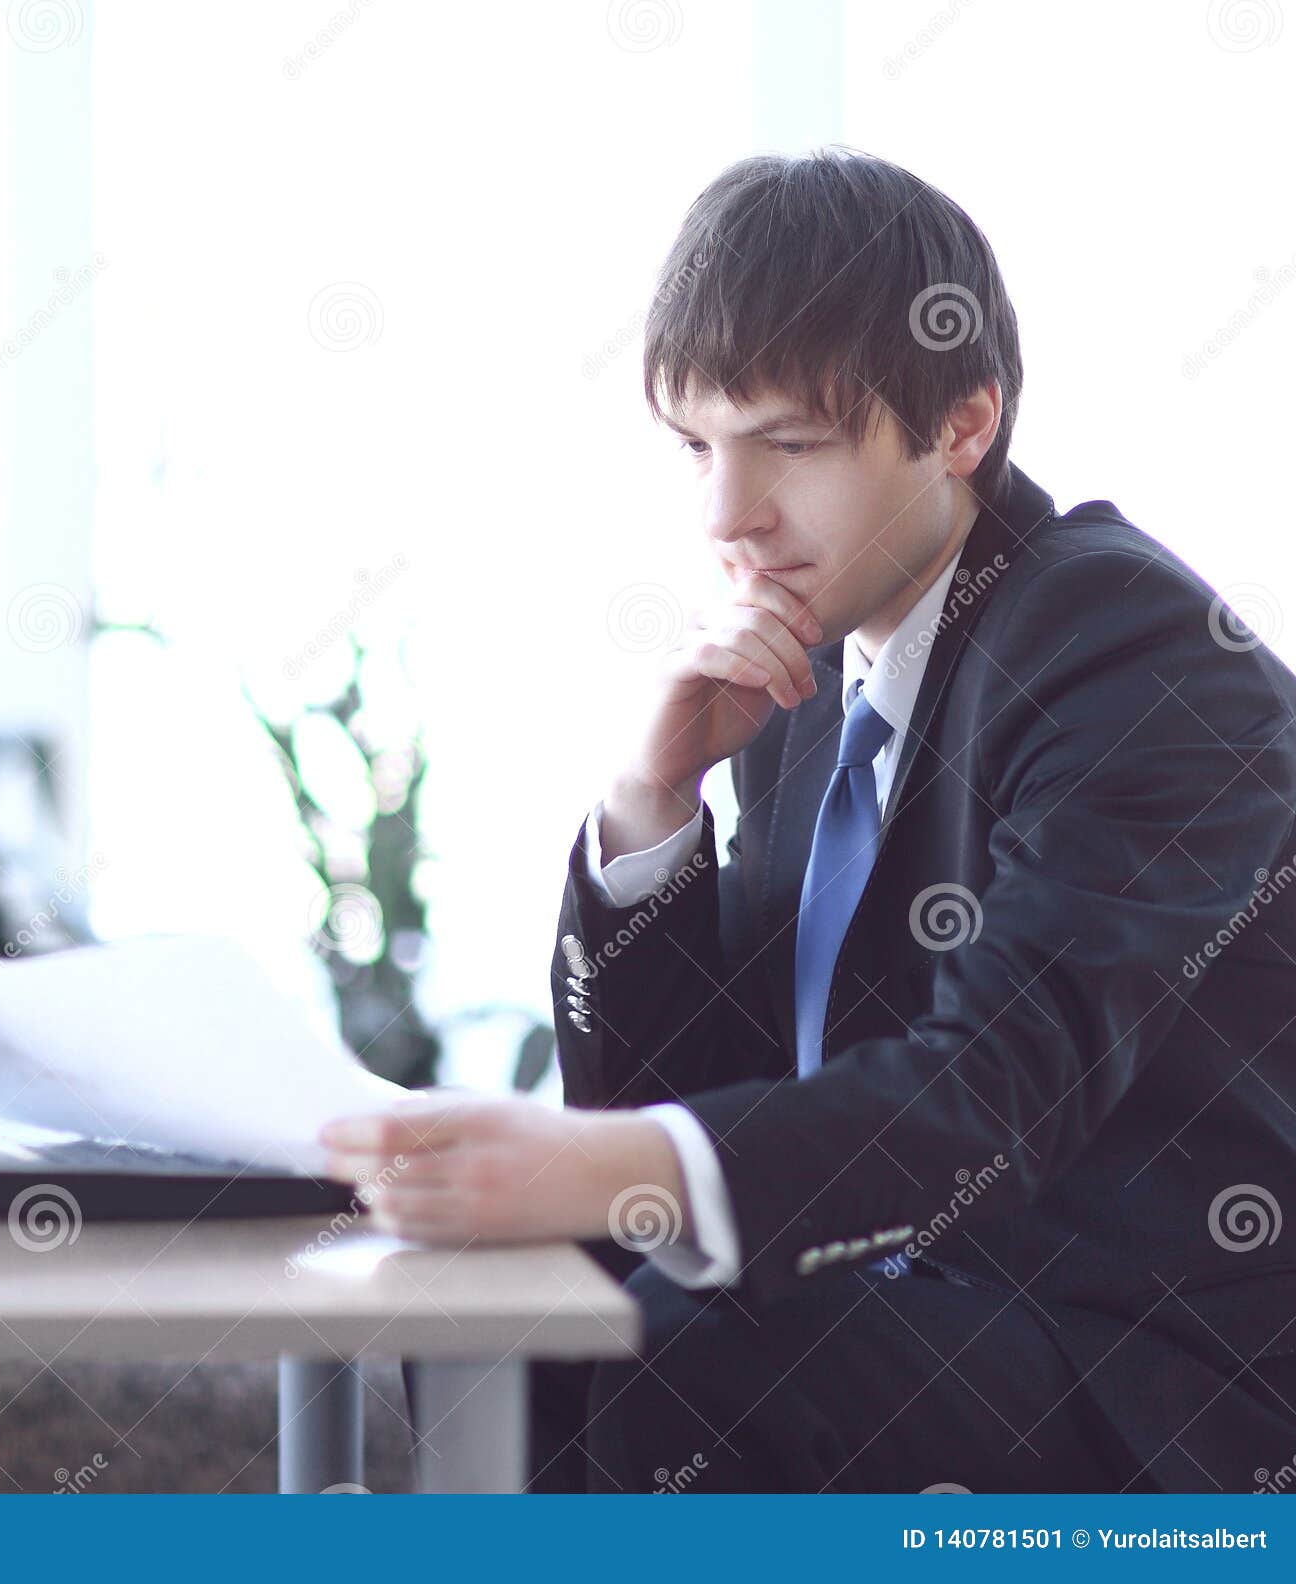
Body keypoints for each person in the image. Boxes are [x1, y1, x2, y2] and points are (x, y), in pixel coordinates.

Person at [319, 147, 1296, 1493]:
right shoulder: (806, 678)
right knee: (515, 1299)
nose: (729, 517)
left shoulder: (1134, 656)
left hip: (1142, 1386)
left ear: (961, 425)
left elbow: (995, 1092)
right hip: (911, 1328)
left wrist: (596, 1170)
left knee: (678, 1347)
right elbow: (686, 1120)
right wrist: (650, 810)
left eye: (789, 444)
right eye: (697, 448)